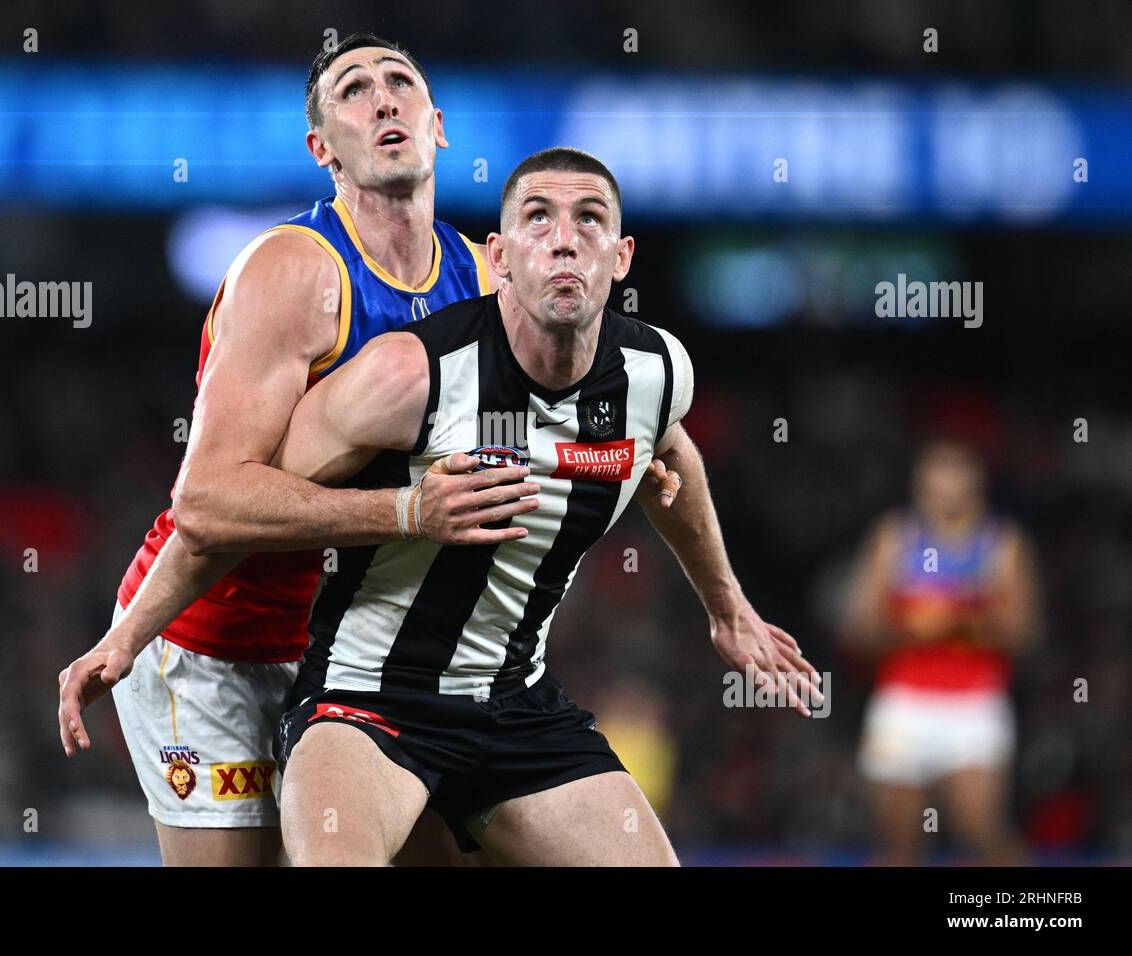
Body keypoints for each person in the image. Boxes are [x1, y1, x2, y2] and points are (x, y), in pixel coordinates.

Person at [56, 35, 679, 866]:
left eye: (400, 83)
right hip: (218, 642)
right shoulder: (290, 273)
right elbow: (204, 506)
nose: (383, 99)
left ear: (437, 125)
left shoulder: (486, 278)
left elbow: (531, 419)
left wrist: (607, 456)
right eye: (353, 89)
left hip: (367, 659)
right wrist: (407, 513)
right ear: (323, 149)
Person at [266, 147, 821, 865]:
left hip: (514, 709)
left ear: (621, 258)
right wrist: (405, 512)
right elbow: (252, 497)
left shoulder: (655, 373)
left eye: (589, 219)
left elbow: (674, 452)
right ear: (499, 256)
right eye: (538, 218)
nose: (565, 237)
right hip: (365, 702)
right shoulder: (411, 373)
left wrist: (727, 608)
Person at [842, 438, 1042, 865]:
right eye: (936, 471)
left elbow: (1025, 634)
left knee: (981, 830)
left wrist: (962, 621)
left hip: (974, 702)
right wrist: (909, 628)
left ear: (976, 481)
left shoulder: (1001, 545)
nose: (944, 484)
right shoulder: (893, 539)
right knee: (898, 842)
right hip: (905, 701)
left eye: (955, 471)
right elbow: (857, 629)